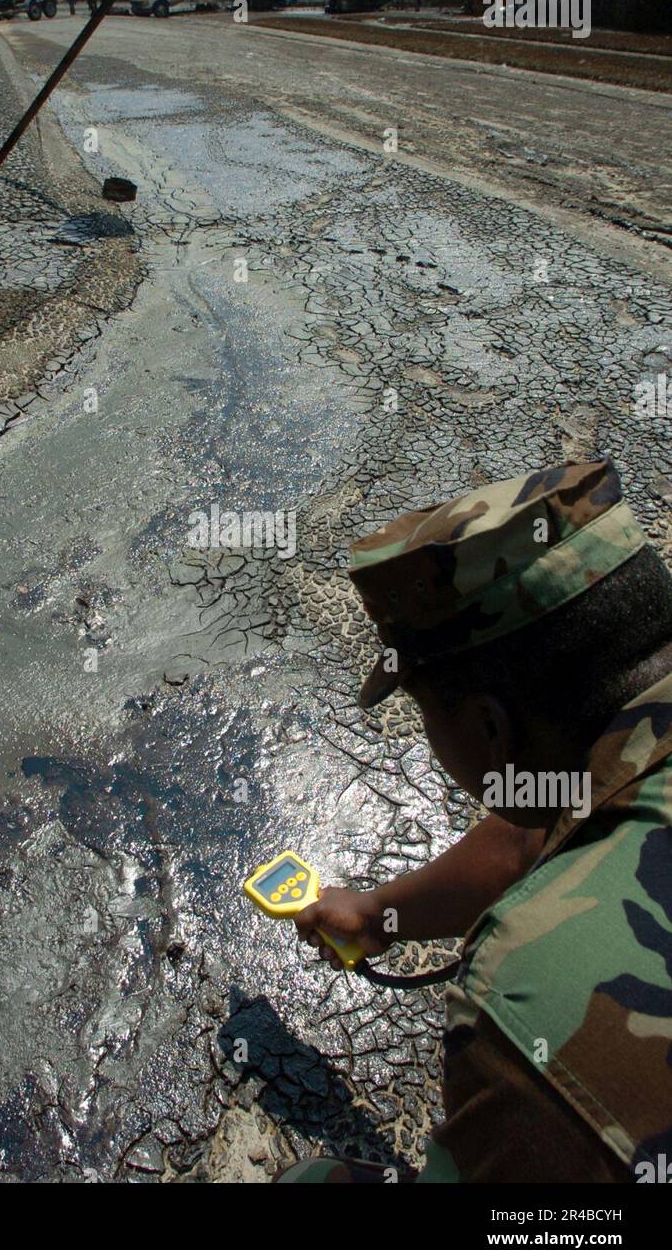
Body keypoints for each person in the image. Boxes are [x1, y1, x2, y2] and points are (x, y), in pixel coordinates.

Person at [279, 457, 672, 1182]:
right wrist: (376, 916)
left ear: (492, 732)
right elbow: (555, 818)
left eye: (425, 709)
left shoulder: (540, 1000)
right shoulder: (630, 737)